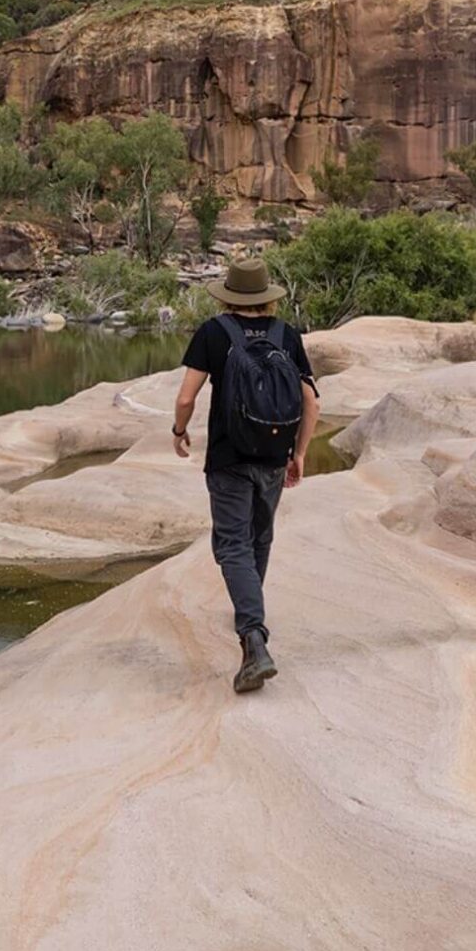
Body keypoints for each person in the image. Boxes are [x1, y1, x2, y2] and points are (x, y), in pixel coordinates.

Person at [172, 257, 319, 693]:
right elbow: (311, 402)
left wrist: (179, 432)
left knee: (232, 544)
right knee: (259, 536)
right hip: (274, 454)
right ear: (266, 298)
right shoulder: (286, 335)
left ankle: (253, 638)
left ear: (230, 296)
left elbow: (185, 398)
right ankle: (249, 609)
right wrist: (300, 453)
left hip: (228, 458)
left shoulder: (214, 332)